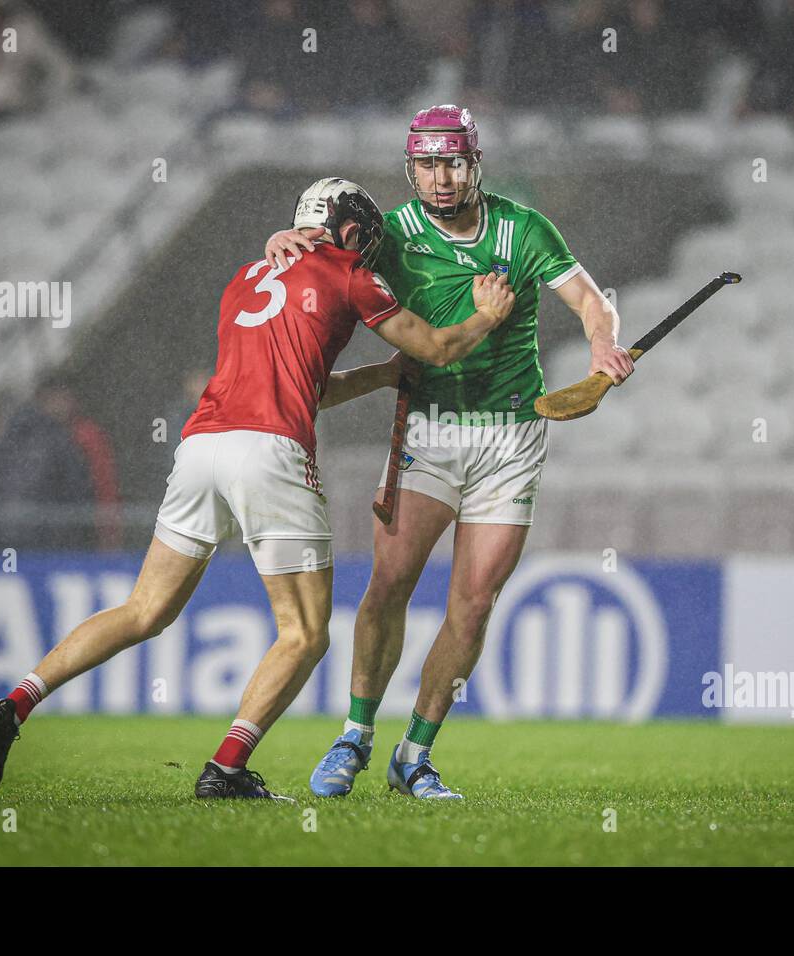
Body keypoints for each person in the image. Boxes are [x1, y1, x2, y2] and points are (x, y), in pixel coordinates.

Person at [0, 177, 515, 801]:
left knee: (143, 610)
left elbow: (306, 382)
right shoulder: (350, 273)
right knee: (304, 634)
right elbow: (439, 347)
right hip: (271, 451)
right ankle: (225, 769)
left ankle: (15, 703)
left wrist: (384, 376)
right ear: (351, 231)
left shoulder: (249, 275)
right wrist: (487, 316)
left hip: (201, 446)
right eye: (364, 240)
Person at [263, 106, 635, 800]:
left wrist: (600, 346)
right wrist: (284, 235)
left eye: (452, 163)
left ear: (474, 164)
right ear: (412, 168)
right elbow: (313, 254)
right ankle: (355, 734)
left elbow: (589, 299)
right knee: (388, 585)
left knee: (474, 602)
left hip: (512, 435)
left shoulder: (523, 228)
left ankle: (414, 754)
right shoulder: (393, 232)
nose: (440, 177)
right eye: (428, 164)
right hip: (428, 428)